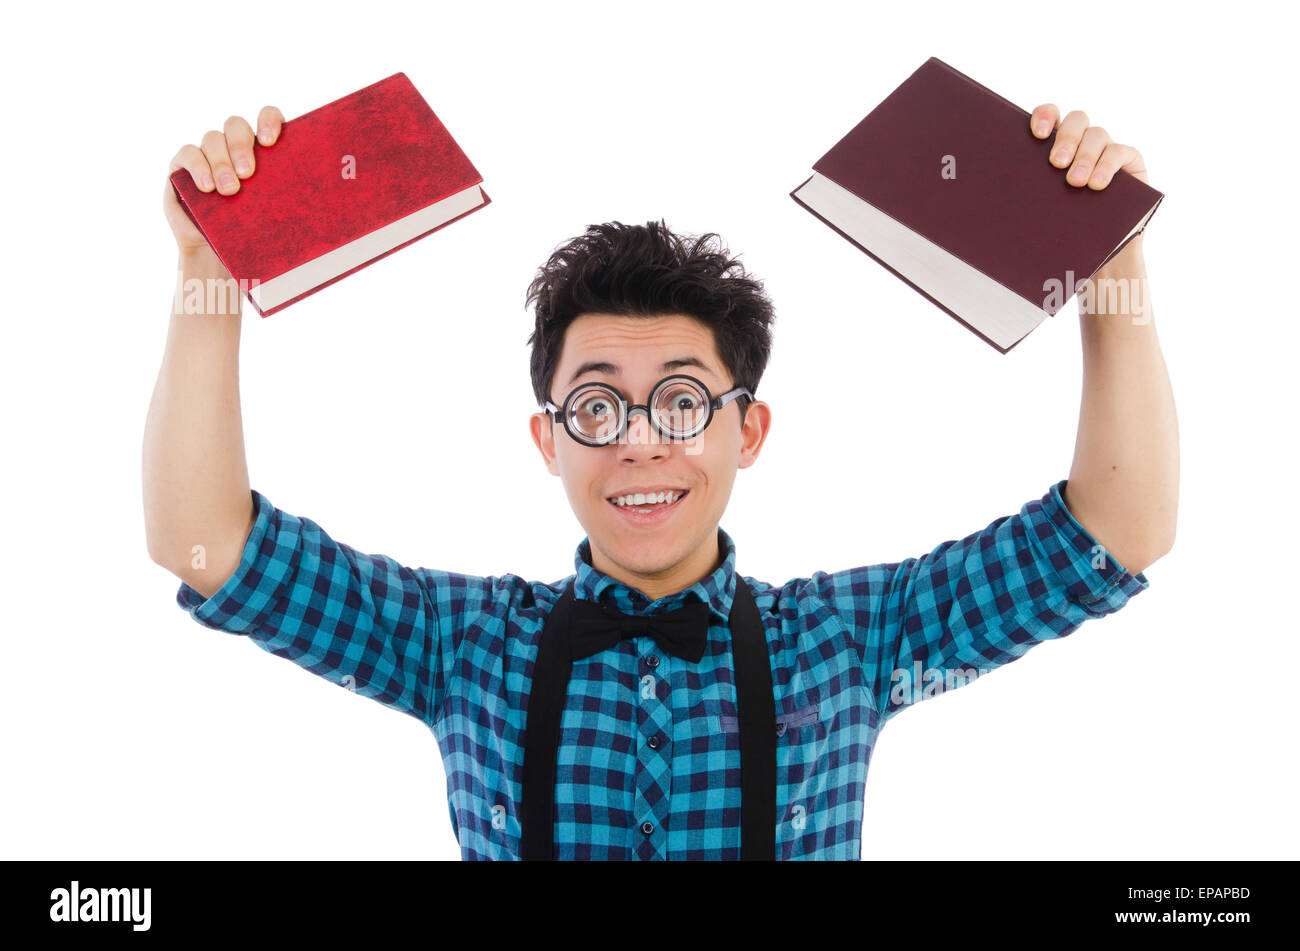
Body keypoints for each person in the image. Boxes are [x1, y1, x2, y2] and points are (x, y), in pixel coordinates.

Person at [143, 101, 1178, 860]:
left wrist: (1113, 271)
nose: (639, 442)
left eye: (682, 402)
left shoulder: (855, 641)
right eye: (596, 406)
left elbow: (1116, 532)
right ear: (549, 441)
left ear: (748, 431)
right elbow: (206, 544)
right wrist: (206, 276)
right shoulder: (457, 644)